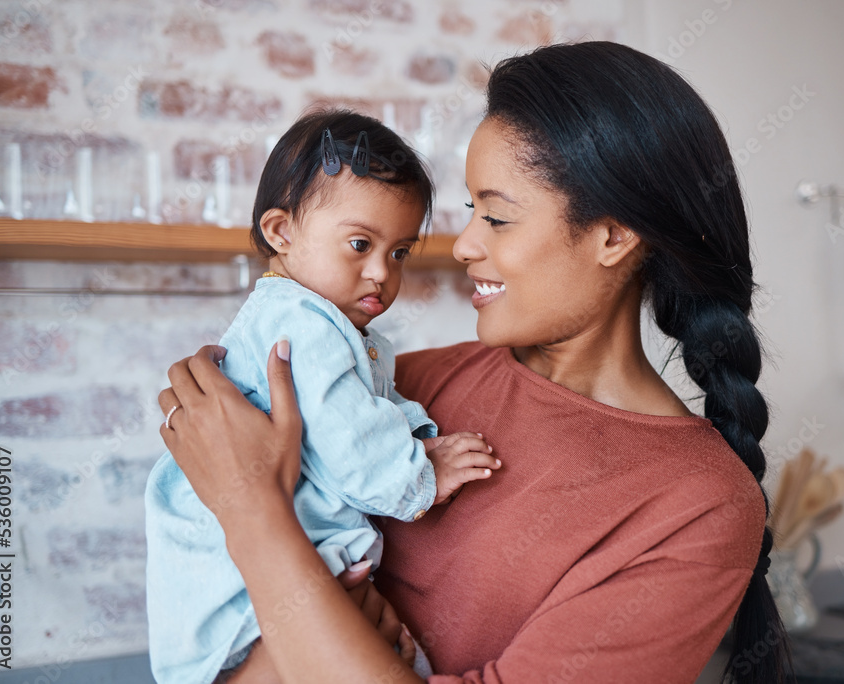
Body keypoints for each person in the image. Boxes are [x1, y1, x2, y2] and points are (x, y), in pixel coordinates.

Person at [158, 41, 790, 684]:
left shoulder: (698, 506)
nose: (463, 245)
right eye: (470, 212)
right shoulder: (410, 385)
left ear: (613, 235)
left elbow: (265, 564)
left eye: (497, 217)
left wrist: (249, 509)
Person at [145, 110, 499, 684]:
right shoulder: (303, 322)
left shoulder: (329, 324)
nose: (382, 273)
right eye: (360, 244)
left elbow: (367, 407)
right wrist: (420, 474)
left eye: (400, 252)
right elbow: (346, 436)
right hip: (240, 577)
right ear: (282, 232)